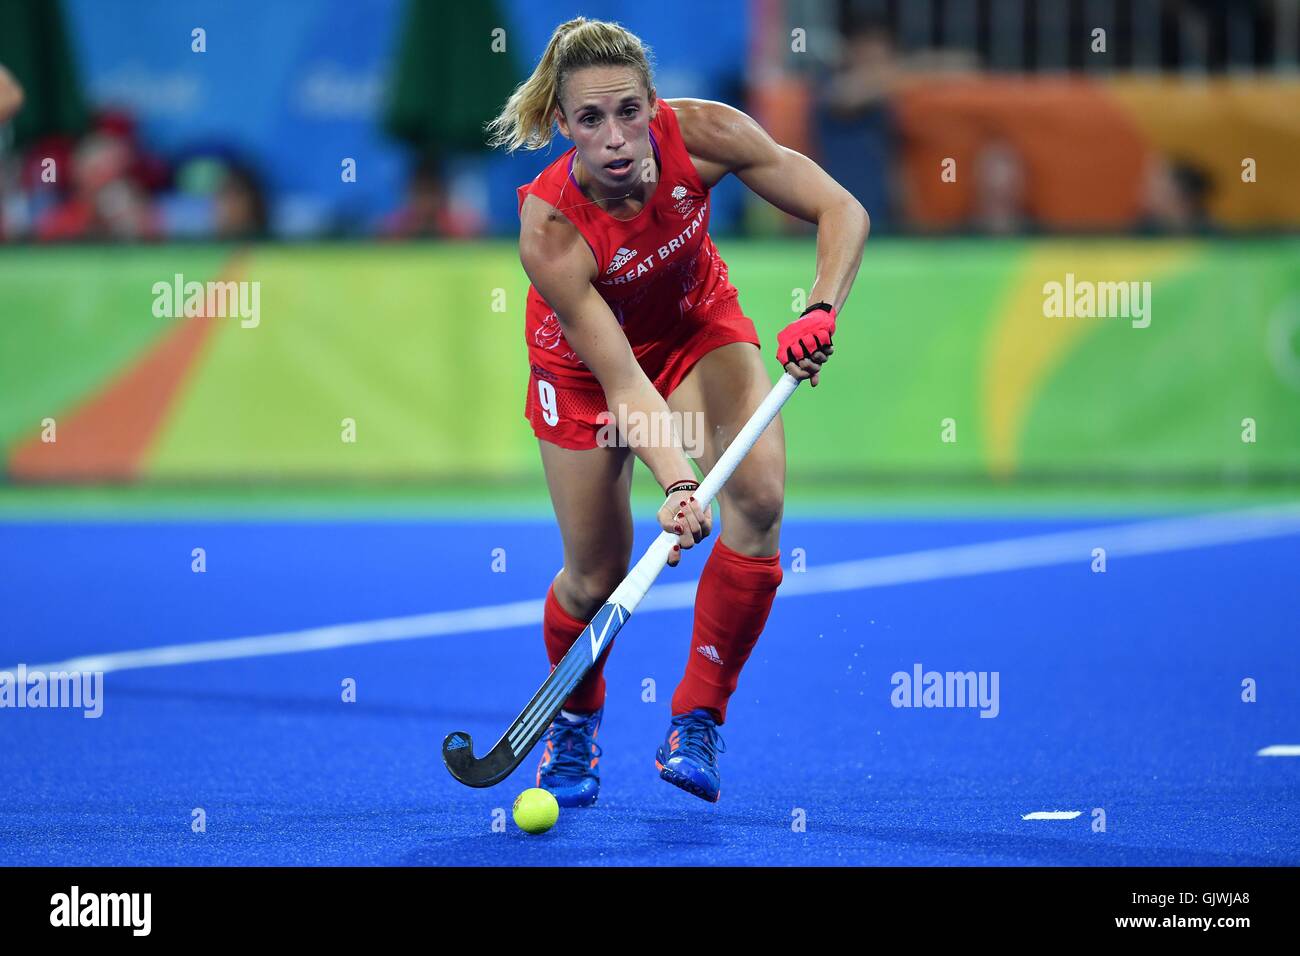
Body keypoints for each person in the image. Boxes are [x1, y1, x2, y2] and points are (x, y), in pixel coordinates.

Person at [488, 18, 869, 805]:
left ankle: (697, 718)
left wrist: (821, 306)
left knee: (759, 503)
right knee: (595, 577)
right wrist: (674, 484)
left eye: (629, 110)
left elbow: (842, 210)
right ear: (564, 127)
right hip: (590, 370)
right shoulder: (551, 231)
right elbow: (626, 384)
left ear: (653, 102)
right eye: (590, 120)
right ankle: (575, 720)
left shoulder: (706, 133)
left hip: (696, 322)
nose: (617, 137)